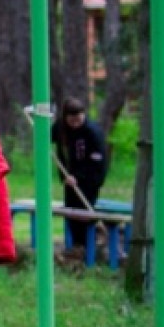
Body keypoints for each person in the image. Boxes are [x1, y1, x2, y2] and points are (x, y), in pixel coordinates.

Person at [53, 97, 108, 251]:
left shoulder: (92, 133)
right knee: (71, 214)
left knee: (84, 214)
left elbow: (97, 163)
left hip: (89, 180)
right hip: (69, 180)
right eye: (72, 120)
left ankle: (89, 247)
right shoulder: (61, 129)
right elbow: (49, 136)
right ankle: (76, 247)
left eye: (79, 119)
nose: (76, 124)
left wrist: (79, 177)